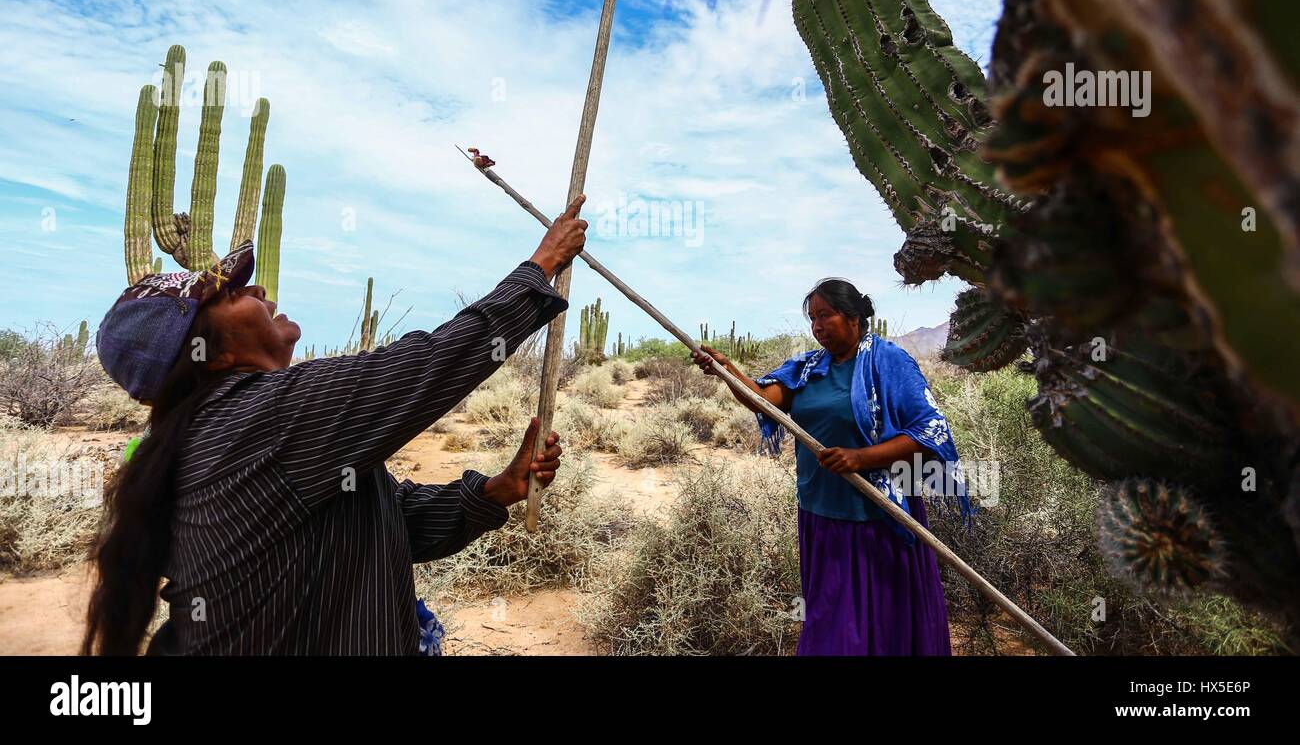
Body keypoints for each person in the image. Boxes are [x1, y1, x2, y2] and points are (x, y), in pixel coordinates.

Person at [81, 195, 589, 655]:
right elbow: (426, 367)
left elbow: (382, 521)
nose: (258, 287)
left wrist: (495, 492)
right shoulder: (258, 420)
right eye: (232, 293)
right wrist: (541, 266)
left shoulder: (214, 432)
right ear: (210, 354)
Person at [693, 277, 971, 655]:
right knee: (832, 623)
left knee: (886, 621)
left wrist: (861, 458)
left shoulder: (887, 361)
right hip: (821, 516)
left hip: (877, 517)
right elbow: (763, 400)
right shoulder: (808, 368)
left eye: (826, 315)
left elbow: (931, 430)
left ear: (853, 316)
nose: (818, 326)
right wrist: (726, 370)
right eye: (812, 318)